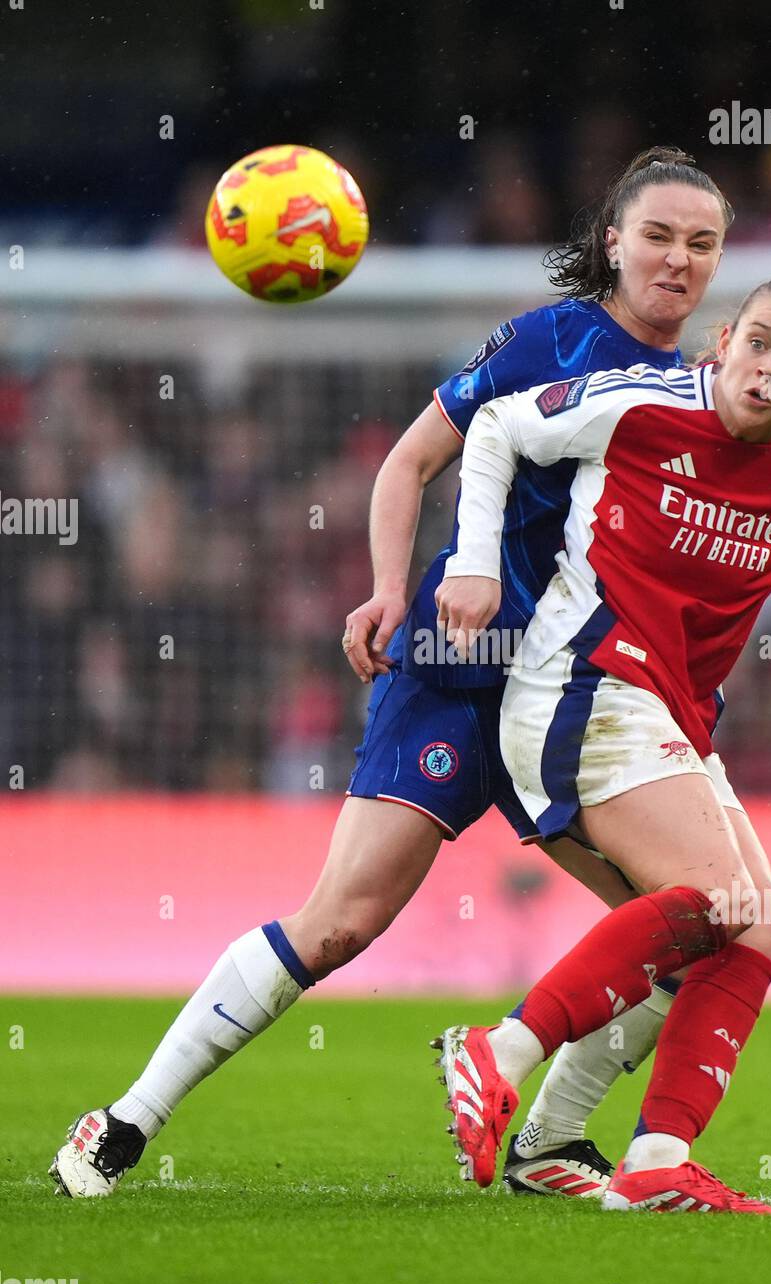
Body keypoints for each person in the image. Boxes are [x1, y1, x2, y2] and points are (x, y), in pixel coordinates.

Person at [49, 147, 734, 1200]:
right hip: (461, 668)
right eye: (657, 235)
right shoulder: (551, 339)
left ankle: (549, 1141)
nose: (677, 259)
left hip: (571, 693)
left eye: (700, 243)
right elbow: (411, 459)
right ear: (610, 240)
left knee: (688, 926)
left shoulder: (694, 389)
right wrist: (383, 590)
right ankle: (125, 1120)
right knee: (340, 921)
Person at [433, 269, 771, 1213]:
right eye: (754, 343)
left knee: (759, 924)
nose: (765, 369)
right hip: (579, 681)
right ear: (721, 342)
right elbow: (499, 425)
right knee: (710, 898)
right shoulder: (635, 406)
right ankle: (494, 1051)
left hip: (669, 712)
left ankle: (633, 1155)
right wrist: (471, 565)